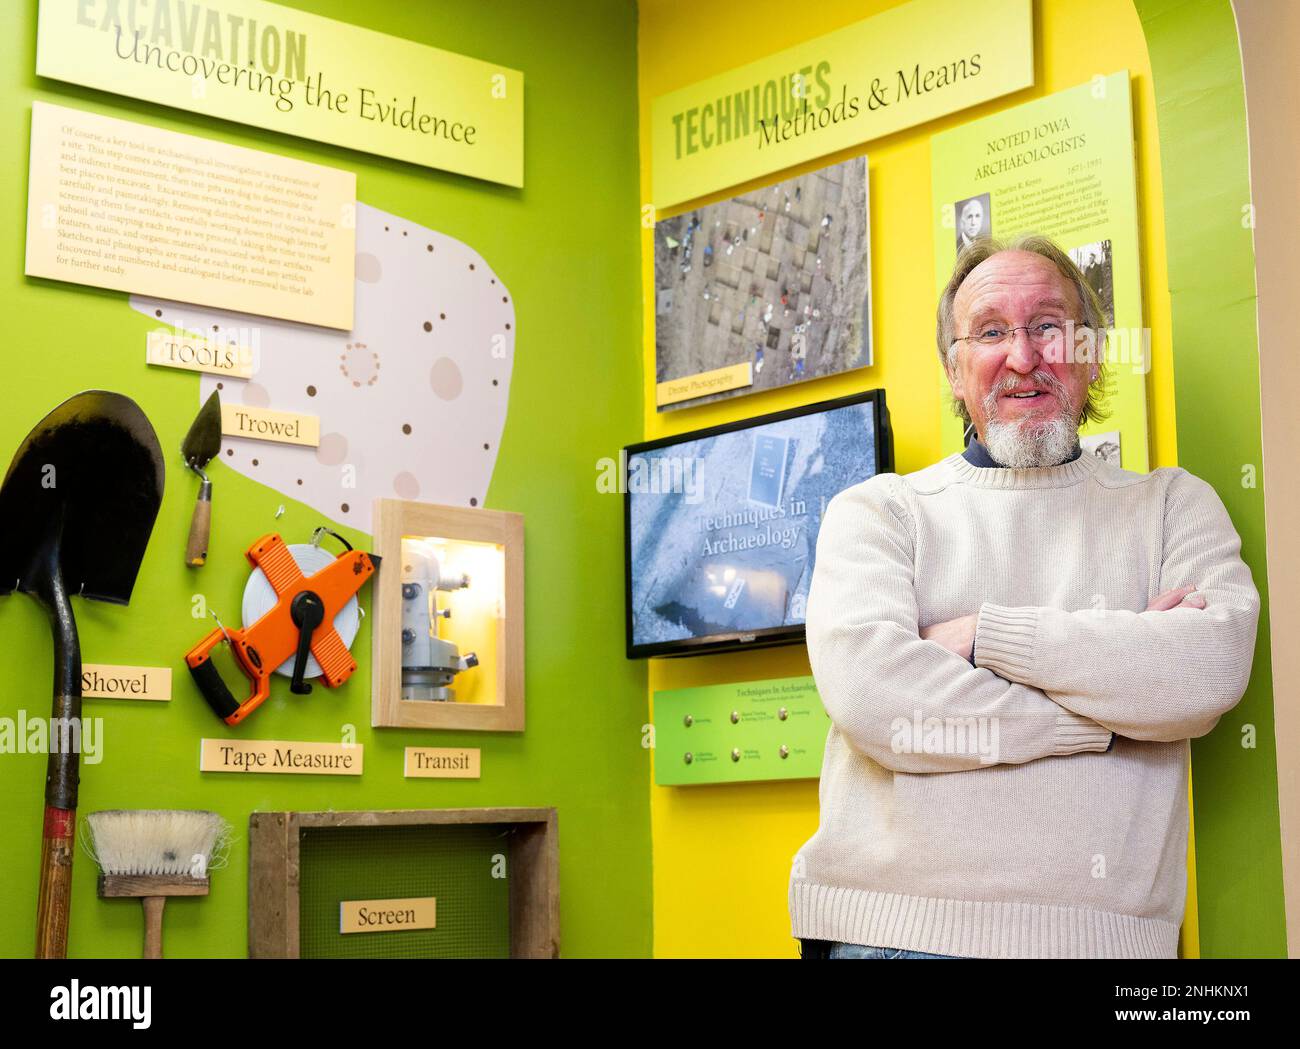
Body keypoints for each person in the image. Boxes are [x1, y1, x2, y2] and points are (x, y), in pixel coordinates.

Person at [790, 234, 1259, 959]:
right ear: (953, 368)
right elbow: (880, 702)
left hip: (1107, 946)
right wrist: (1108, 712)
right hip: (888, 937)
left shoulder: (1173, 506)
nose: (1023, 356)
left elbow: (1206, 670)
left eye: (1048, 326)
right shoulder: (879, 511)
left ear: (1093, 352)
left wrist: (985, 635)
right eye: (990, 331)